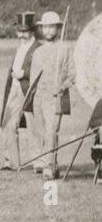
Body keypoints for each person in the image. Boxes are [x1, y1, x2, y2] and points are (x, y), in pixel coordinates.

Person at [29, 10, 74, 181]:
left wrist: (61, 87)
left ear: (58, 28)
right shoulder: (38, 52)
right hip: (39, 97)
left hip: (56, 98)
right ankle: (49, 163)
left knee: (51, 132)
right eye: (45, 27)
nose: (48, 31)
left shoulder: (65, 49)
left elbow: (72, 75)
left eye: (52, 27)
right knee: (40, 132)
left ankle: (49, 166)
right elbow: (33, 78)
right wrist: (31, 99)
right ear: (41, 29)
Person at [0, 12, 39, 170]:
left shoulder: (38, 48)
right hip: (15, 88)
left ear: (32, 31)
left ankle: (39, 162)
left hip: (30, 91)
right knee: (7, 123)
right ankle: (12, 163)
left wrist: (25, 74)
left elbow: (43, 69)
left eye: (25, 31)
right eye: (19, 31)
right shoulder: (21, 47)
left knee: (34, 127)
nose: (21, 34)